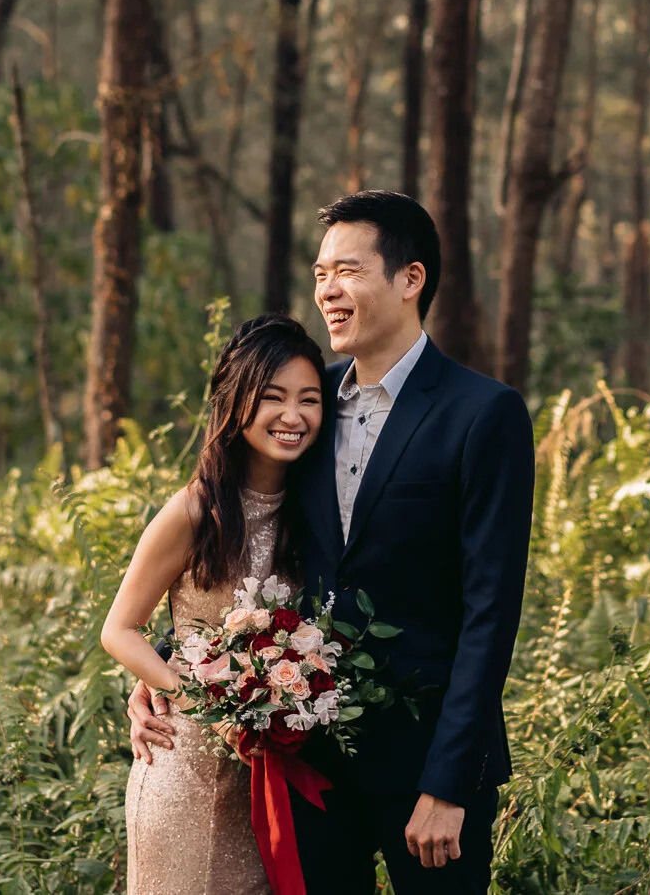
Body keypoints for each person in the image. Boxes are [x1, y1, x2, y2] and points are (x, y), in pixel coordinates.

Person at [128, 191, 534, 894]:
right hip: (311, 768)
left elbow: (490, 614)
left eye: (346, 269)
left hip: (427, 774)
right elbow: (247, 550)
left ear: (410, 278)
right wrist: (167, 663)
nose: (328, 290)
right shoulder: (307, 404)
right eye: (320, 273)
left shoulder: (483, 414)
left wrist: (449, 783)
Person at [103, 314, 329, 895]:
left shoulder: (314, 515)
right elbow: (120, 630)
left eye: (309, 400)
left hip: (268, 782)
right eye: (274, 397)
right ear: (237, 402)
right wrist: (198, 700)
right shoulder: (194, 510)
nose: (293, 416)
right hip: (183, 767)